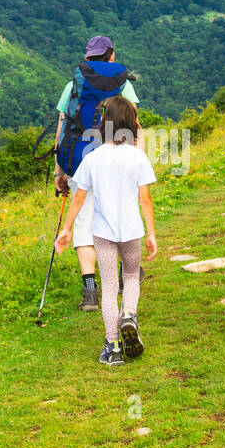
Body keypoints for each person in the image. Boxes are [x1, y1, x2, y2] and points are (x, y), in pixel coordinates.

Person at [54, 97, 158, 366]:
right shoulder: (138, 157)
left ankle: (112, 347)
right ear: (130, 124)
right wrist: (151, 234)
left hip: (102, 232)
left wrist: (66, 229)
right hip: (132, 230)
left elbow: (78, 198)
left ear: (104, 122)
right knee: (132, 276)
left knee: (110, 286)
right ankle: (129, 316)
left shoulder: (93, 158)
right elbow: (145, 199)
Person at [53, 35, 140, 312]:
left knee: (83, 222)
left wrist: (60, 169)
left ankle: (90, 290)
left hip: (80, 160)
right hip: (118, 162)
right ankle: (127, 276)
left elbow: (62, 129)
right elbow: (135, 124)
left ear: (88, 58)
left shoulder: (73, 85)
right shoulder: (123, 85)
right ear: (111, 56)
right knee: (120, 214)